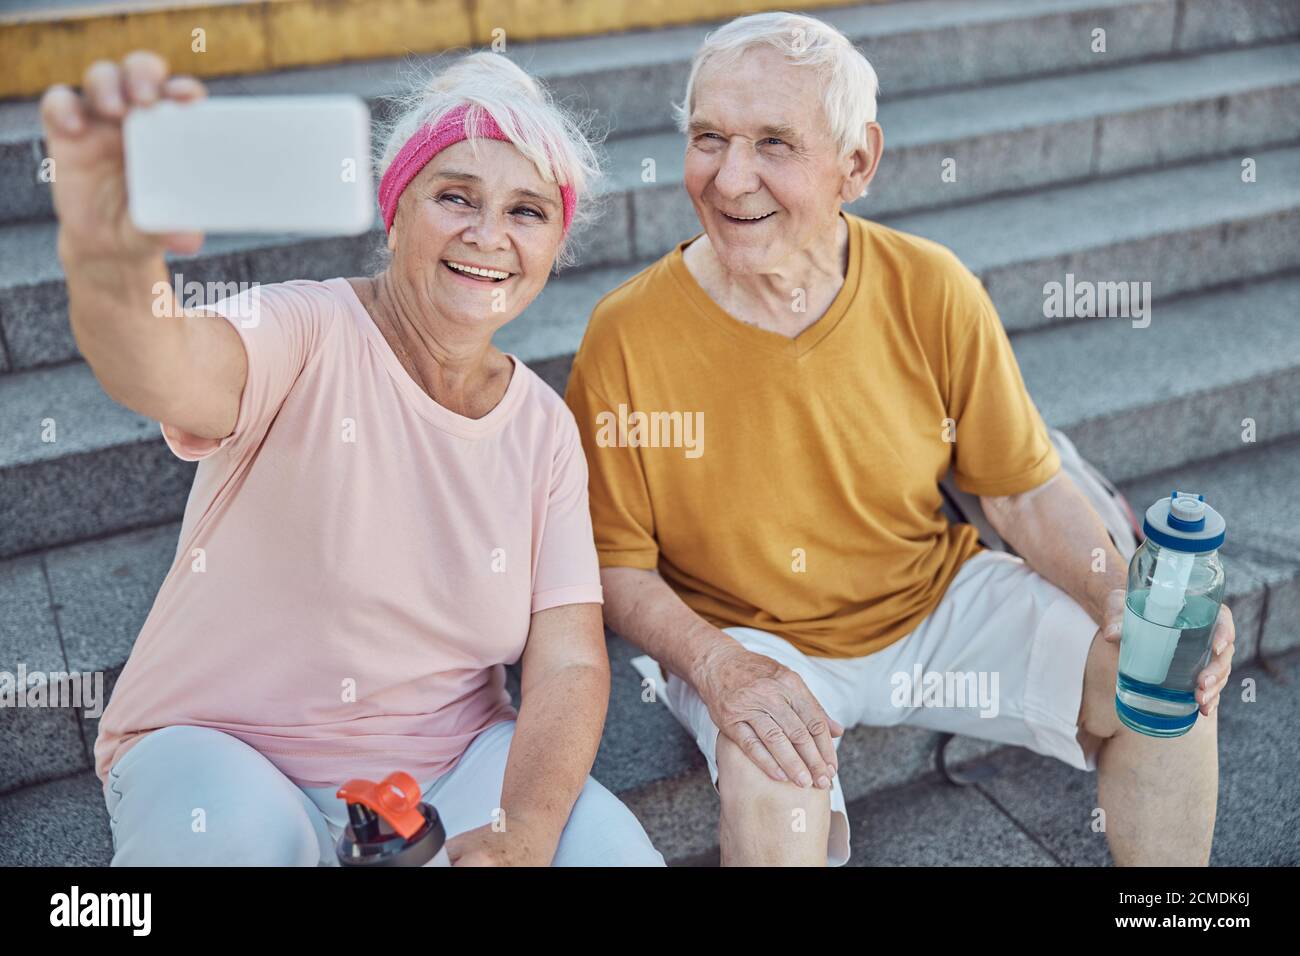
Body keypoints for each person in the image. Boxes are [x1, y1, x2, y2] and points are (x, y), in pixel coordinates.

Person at [563, 12, 1236, 866]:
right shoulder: (627, 332)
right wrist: (722, 668)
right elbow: (617, 565)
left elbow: (1022, 491)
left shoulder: (932, 286)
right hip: (750, 632)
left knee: (1165, 674)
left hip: (932, 599)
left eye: (775, 143)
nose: (731, 178)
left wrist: (1119, 596)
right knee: (774, 779)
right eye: (709, 138)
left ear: (859, 163)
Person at [40, 48, 663, 866]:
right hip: (225, 746)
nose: (488, 235)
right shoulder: (305, 329)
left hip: (449, 763)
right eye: (454, 197)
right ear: (395, 210)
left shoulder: (541, 427)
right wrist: (109, 257)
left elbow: (572, 660)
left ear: (555, 243)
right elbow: (166, 366)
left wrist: (525, 830)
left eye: (526, 212)